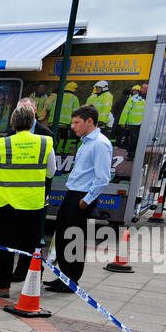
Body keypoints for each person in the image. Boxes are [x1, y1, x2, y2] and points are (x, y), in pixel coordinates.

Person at [0, 104, 56, 299]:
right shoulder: (45, 143)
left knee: (4, 246)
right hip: (34, 204)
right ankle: (33, 285)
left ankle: (2, 286)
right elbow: (51, 172)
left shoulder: (4, 143)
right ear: (33, 121)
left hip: (7, 204)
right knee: (33, 246)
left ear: (13, 123)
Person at [50, 105, 112, 291]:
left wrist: (86, 200)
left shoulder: (100, 143)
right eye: (73, 122)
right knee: (62, 237)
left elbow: (103, 177)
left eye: (77, 122)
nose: (73, 126)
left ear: (89, 121)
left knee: (73, 239)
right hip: (73, 194)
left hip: (81, 197)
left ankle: (71, 281)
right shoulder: (86, 142)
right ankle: (63, 276)